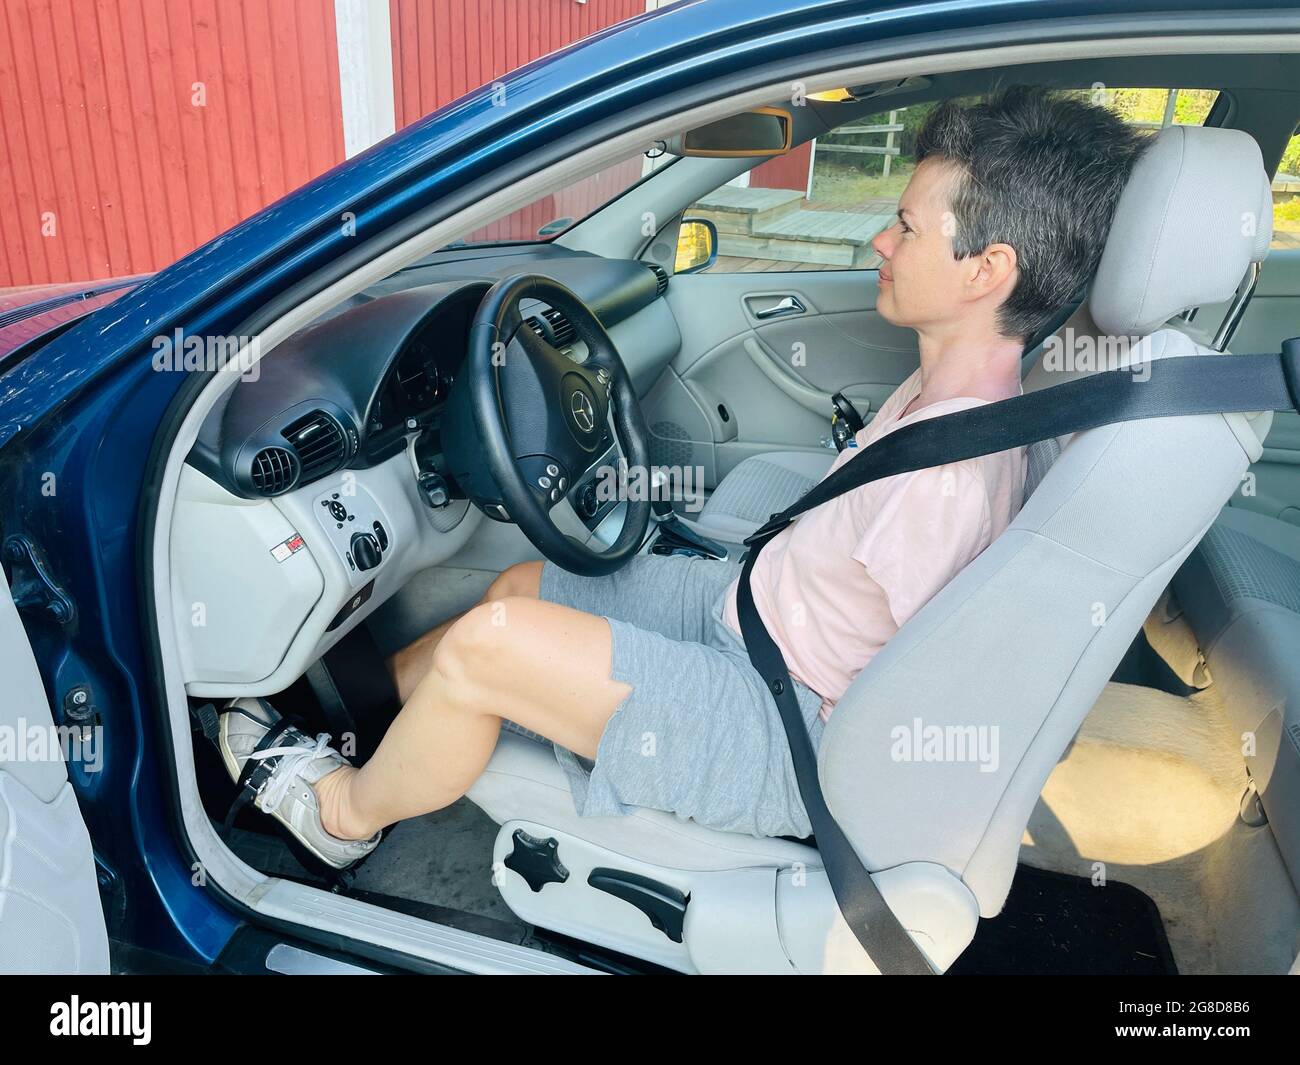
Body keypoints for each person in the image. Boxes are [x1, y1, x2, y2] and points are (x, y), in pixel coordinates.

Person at [218, 85, 1149, 869]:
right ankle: (371, 735)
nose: (880, 240)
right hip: (753, 622)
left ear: (986, 270)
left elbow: (902, 712)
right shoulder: (956, 389)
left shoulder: (954, 475)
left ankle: (341, 814)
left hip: (786, 727)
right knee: (520, 585)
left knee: (489, 644)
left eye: (906, 225)